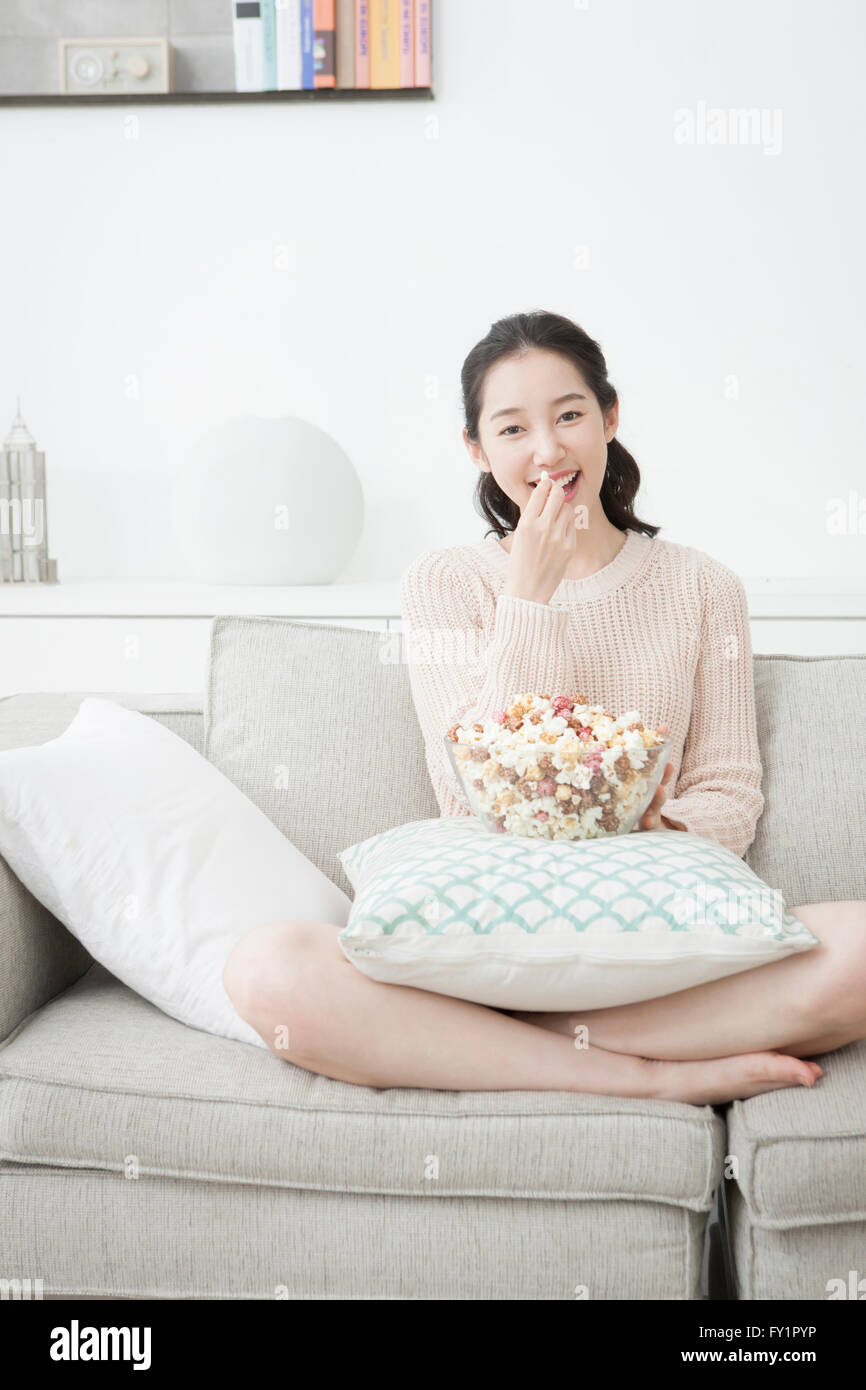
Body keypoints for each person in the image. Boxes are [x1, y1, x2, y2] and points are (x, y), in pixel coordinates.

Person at [222, 310, 866, 1105]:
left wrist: (657, 824)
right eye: (513, 427)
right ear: (476, 449)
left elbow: (730, 788)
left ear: (610, 418)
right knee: (268, 968)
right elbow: (467, 793)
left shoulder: (703, 587)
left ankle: (490, 1044)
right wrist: (529, 594)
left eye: (569, 416)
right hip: (482, 945)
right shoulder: (445, 583)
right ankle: (641, 1077)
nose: (548, 450)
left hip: (653, 938)